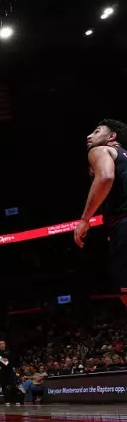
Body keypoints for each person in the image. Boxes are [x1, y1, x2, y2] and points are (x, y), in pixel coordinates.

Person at [75, 119, 127, 305]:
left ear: (112, 137)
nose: (89, 136)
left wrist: (85, 220)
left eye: (97, 131)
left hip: (123, 223)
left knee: (125, 292)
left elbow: (105, 177)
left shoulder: (100, 150)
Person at [0, 340, 19, 406]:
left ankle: (16, 400)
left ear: (5, 344)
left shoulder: (9, 352)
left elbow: (11, 360)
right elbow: (0, 360)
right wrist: (4, 362)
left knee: (13, 385)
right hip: (2, 372)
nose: (1, 345)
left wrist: (4, 362)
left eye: (2, 343)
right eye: (0, 344)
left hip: (10, 371)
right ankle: (7, 401)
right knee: (4, 386)